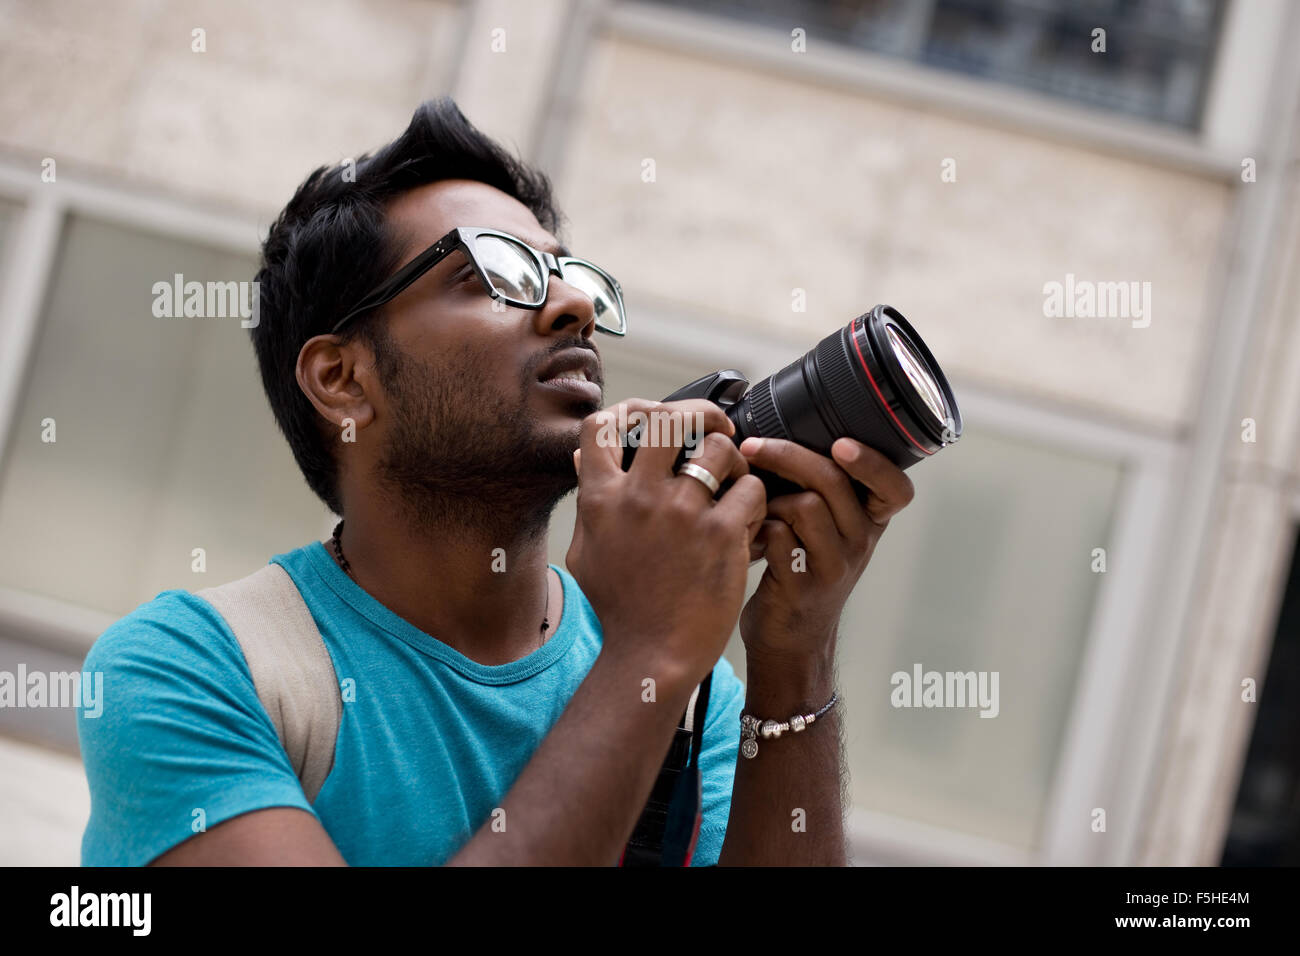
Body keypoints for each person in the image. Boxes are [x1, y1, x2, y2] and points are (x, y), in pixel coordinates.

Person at [77, 97, 914, 866]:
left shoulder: (699, 699)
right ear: (343, 379)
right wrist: (644, 653)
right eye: (496, 275)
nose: (569, 308)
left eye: (569, 277)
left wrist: (793, 657)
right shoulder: (191, 671)